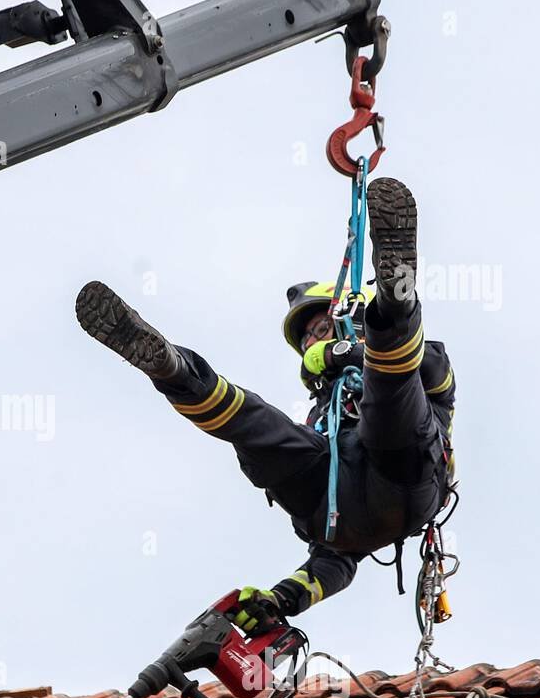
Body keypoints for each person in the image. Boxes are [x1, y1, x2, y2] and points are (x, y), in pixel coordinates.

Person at [75, 178, 455, 632]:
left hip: (406, 475)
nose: (315, 339)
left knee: (390, 393)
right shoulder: (322, 418)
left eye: (322, 328)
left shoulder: (400, 368)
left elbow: (434, 370)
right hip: (339, 514)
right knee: (258, 427)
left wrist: (348, 353)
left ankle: (395, 299)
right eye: (310, 336)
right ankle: (172, 370)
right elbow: (336, 562)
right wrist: (282, 600)